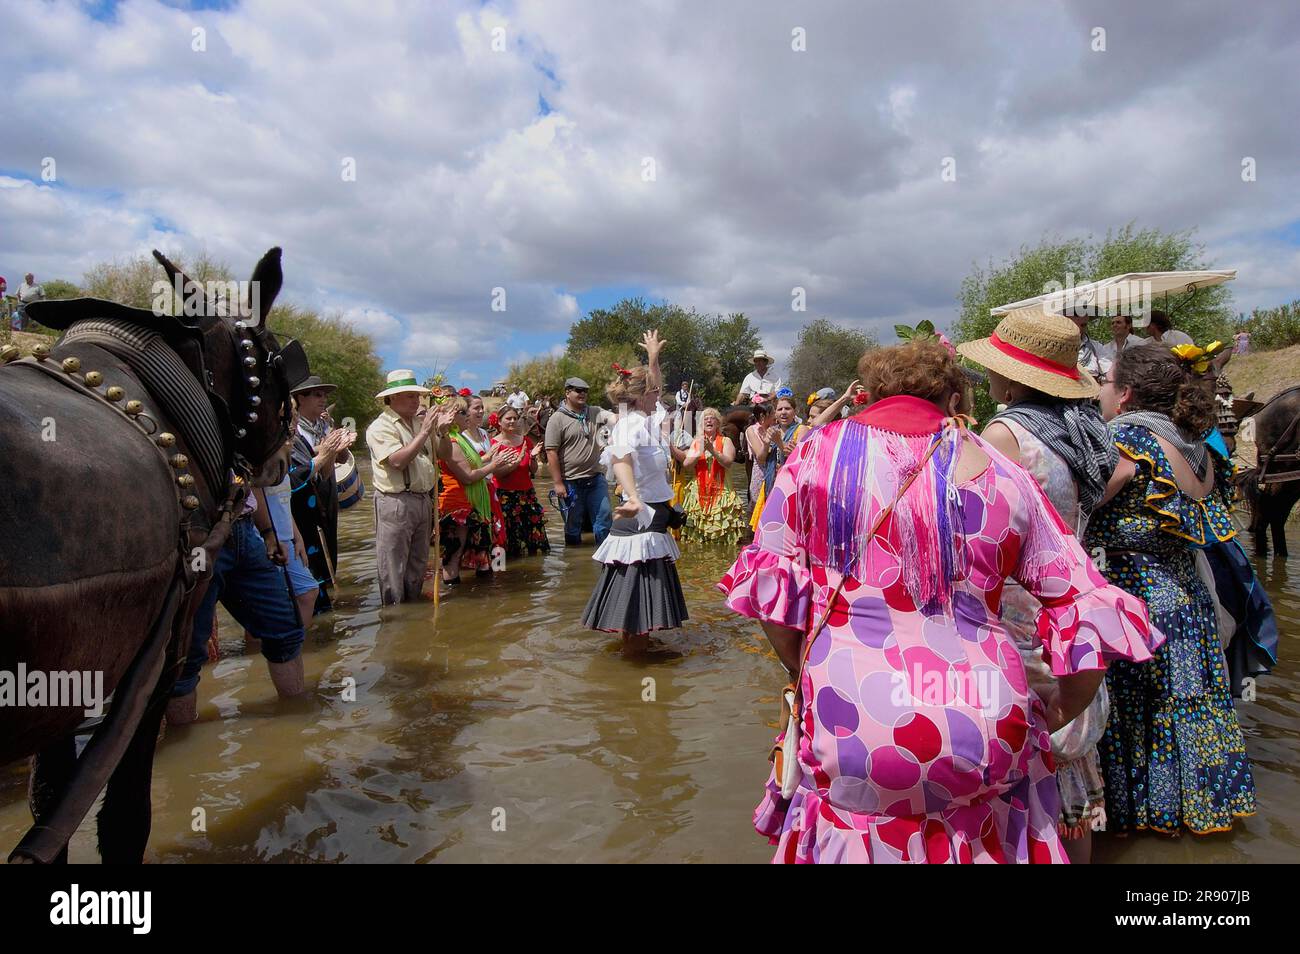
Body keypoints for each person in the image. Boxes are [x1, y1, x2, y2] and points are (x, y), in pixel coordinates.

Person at [718, 338, 1160, 864]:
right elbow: (1090, 605)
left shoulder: (815, 456)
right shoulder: (1001, 473)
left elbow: (771, 589)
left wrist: (807, 665)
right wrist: (1054, 711)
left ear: (870, 393)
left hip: (854, 721)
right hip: (989, 716)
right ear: (954, 399)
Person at [958, 309, 1119, 863]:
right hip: (1075, 594)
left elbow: (972, 521)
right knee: (1072, 762)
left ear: (1011, 376)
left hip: (1020, 599)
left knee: (1024, 750)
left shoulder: (1005, 432)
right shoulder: (1087, 429)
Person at [1087, 344, 1257, 835]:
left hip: (1140, 600)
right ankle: (1199, 812)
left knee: (1138, 713)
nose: (1102, 390)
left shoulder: (1127, 437)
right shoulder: (1194, 442)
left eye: (1108, 381)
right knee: (1187, 702)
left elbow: (1092, 495)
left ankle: (1139, 815)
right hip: (1189, 598)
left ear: (1127, 394)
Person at [166, 476, 309, 725]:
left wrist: (268, 532)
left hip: (244, 530)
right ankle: (184, 743)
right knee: (185, 655)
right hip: (194, 539)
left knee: (285, 630)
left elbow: (250, 477)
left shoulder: (235, 438)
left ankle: (299, 723)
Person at [582, 330, 688, 655]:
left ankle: (634, 652)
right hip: (639, 524)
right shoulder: (630, 424)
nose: (662, 394)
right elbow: (619, 458)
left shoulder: (646, 418)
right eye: (656, 390)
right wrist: (631, 496)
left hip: (650, 523)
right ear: (644, 395)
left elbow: (654, 385)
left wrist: (653, 358)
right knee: (638, 616)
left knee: (637, 616)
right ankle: (635, 663)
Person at [365, 370, 454, 604]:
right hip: (395, 502)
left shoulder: (417, 422)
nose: (416, 401)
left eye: (417, 396)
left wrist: (442, 432)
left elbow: (444, 455)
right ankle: (394, 615)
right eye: (409, 396)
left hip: (423, 500)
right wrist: (426, 431)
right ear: (392, 399)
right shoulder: (380, 427)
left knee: (418, 564)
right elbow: (397, 461)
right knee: (393, 566)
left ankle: (413, 610)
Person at [289, 374, 353, 616]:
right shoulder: (294, 431)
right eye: (317, 394)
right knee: (309, 564)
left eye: (325, 395)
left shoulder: (324, 425)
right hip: (300, 503)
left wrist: (338, 448)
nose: (323, 399)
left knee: (327, 559)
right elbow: (298, 471)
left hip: (324, 497)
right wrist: (325, 451)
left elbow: (328, 469)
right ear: (299, 399)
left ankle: (324, 611)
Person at [437, 397, 515, 582]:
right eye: (464, 412)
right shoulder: (453, 441)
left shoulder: (476, 435)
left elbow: (474, 462)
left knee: (485, 544)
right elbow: (467, 475)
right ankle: (453, 594)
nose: (471, 415)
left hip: (483, 495)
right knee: (454, 553)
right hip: (459, 501)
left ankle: (488, 587)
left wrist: (489, 458)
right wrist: (494, 464)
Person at [545, 376, 617, 547]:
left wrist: (627, 414)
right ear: (567, 392)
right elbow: (551, 452)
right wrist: (557, 483)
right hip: (570, 482)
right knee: (573, 526)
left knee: (605, 518)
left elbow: (613, 418)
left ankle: (606, 560)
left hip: (595, 478)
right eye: (578, 390)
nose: (582, 393)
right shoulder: (557, 419)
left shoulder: (594, 412)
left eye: (585, 391)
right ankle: (572, 564)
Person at [672, 406, 747, 546]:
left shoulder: (726, 441)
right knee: (696, 537)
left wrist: (712, 450)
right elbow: (687, 465)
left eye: (712, 418)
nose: (708, 420)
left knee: (723, 535)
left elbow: (728, 462)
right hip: (698, 492)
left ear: (718, 423)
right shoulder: (696, 442)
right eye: (705, 419)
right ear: (701, 424)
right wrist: (699, 450)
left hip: (721, 490)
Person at [491, 405, 551, 558]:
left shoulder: (526, 441)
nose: (512, 421)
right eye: (508, 418)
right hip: (504, 497)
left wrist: (531, 457)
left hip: (527, 495)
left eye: (515, 418)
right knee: (511, 543)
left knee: (534, 543)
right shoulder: (493, 444)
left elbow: (533, 470)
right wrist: (516, 462)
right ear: (499, 421)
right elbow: (496, 474)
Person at [748, 392, 808, 532]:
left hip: (791, 484)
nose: (783, 413)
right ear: (775, 413)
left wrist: (779, 442)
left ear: (795, 411)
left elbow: (796, 458)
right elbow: (762, 459)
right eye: (780, 409)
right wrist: (767, 443)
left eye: (787, 409)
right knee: (769, 527)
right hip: (771, 482)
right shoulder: (772, 430)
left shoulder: (801, 429)